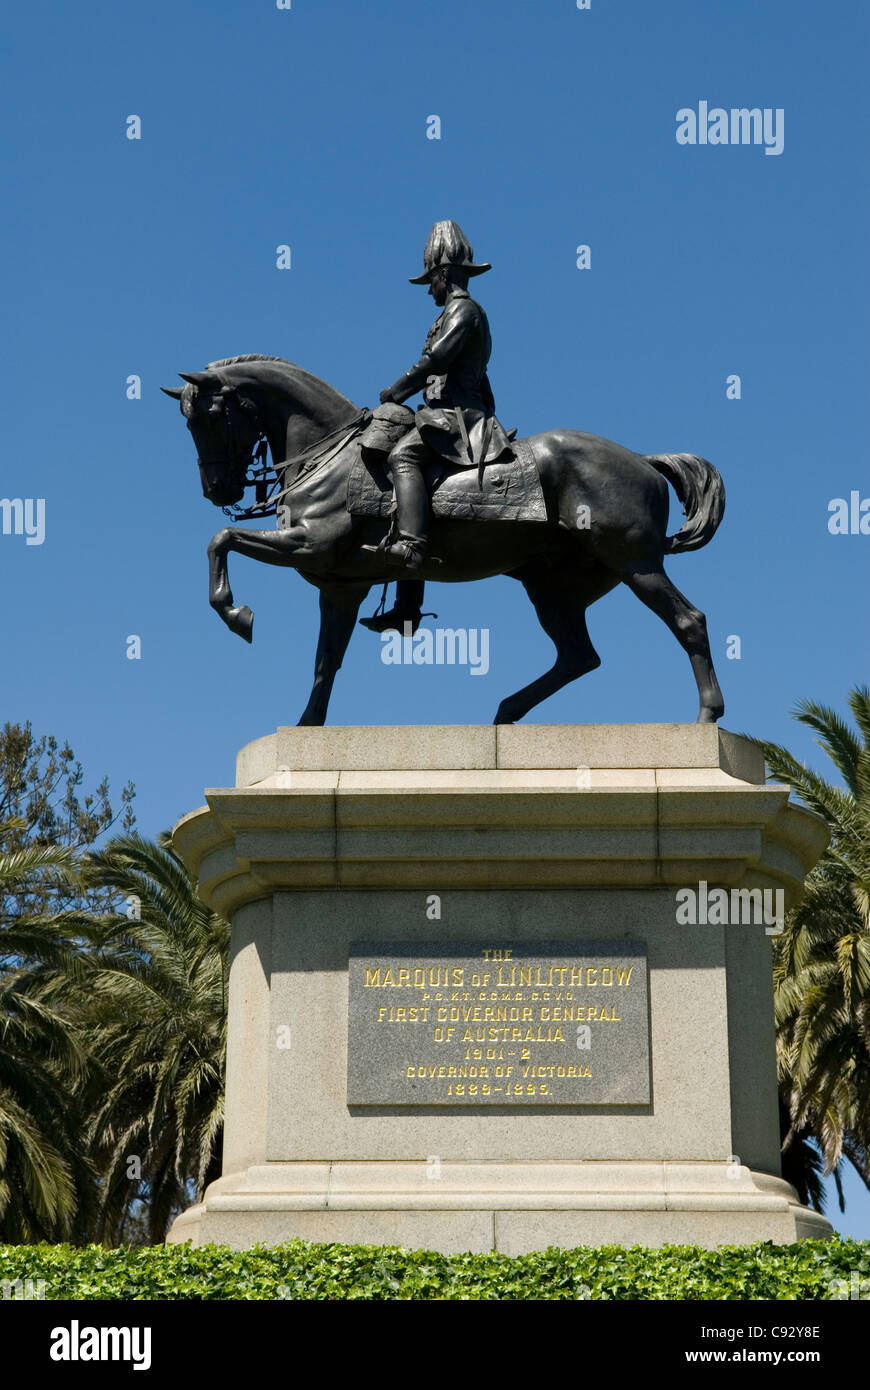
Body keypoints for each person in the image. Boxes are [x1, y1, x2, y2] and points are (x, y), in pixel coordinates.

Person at [374, 219, 512, 573]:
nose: (429, 289)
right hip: (444, 414)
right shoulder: (451, 314)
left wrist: (396, 390)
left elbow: (437, 359)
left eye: (430, 279)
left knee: (402, 458)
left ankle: (413, 547)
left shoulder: (464, 311)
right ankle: (407, 602)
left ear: (445, 274)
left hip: (459, 418)